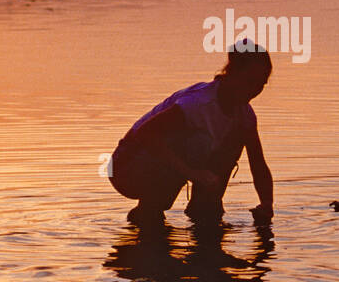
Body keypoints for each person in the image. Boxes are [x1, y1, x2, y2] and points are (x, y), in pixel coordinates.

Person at [110, 40, 274, 226]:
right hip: (125, 168)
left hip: (160, 164)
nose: (254, 90)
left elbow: (258, 164)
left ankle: (204, 205)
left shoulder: (245, 116)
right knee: (200, 142)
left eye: (261, 84)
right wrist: (192, 173)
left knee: (232, 140)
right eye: (249, 81)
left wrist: (267, 204)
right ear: (232, 72)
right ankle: (149, 210)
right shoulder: (197, 103)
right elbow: (146, 134)